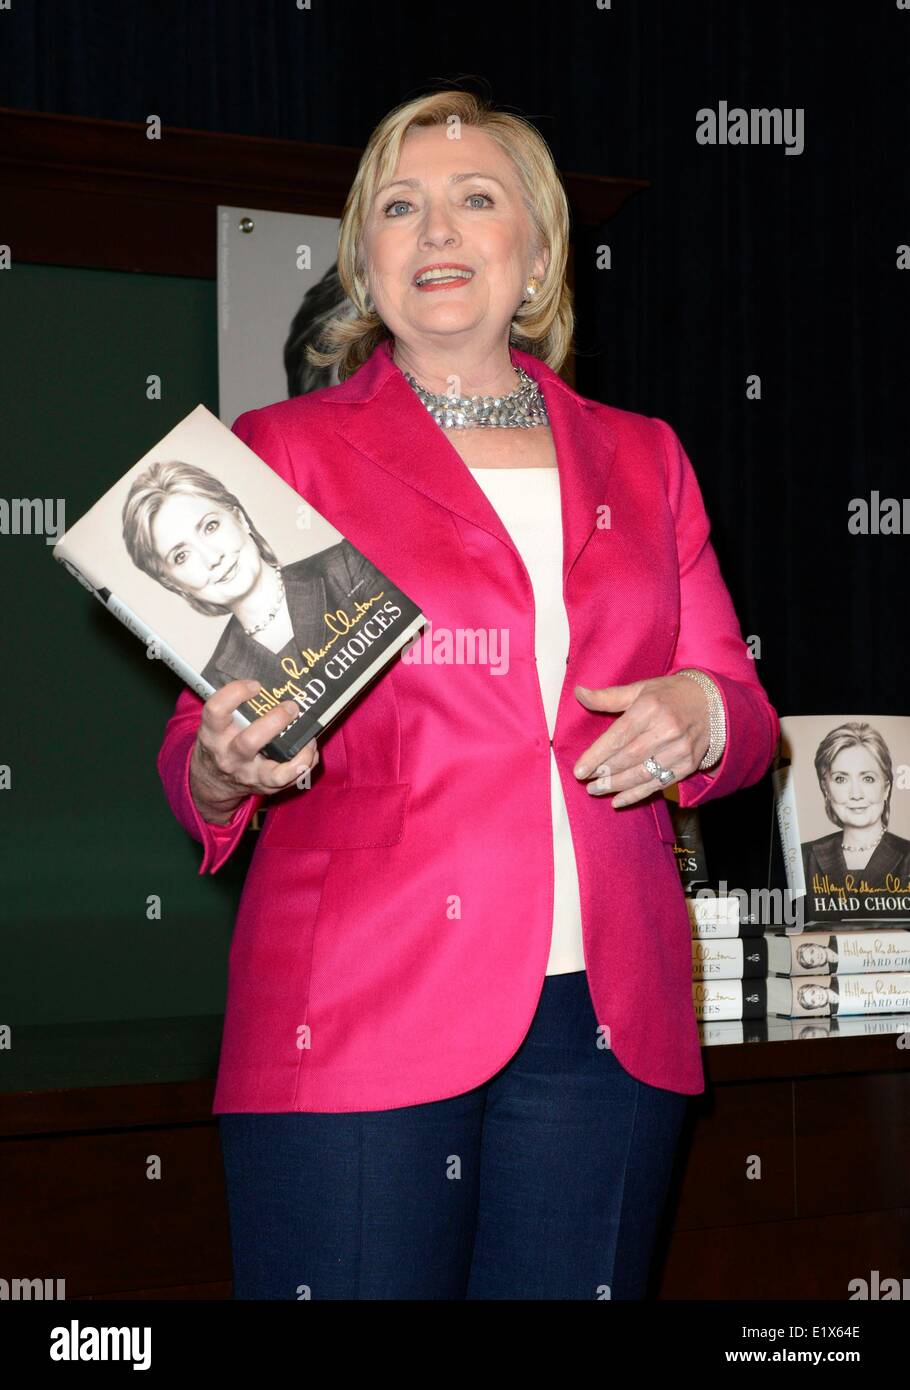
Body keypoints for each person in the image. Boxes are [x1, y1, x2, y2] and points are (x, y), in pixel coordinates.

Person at [156, 88, 780, 1300]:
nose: (435, 230)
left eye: (474, 199)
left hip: (607, 1015)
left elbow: (742, 712)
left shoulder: (644, 455)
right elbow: (198, 745)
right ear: (365, 259)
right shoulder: (282, 450)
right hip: (352, 1008)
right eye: (400, 207)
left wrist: (698, 716)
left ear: (536, 252)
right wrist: (224, 765)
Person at [121, 459, 391, 697]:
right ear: (172, 582)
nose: (212, 558)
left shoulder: (345, 566)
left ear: (239, 518)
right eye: (181, 556)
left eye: (210, 526)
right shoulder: (217, 682)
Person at [800, 721, 910, 899]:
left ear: (887, 788)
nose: (856, 794)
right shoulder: (803, 858)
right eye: (841, 779)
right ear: (826, 788)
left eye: (868, 778)